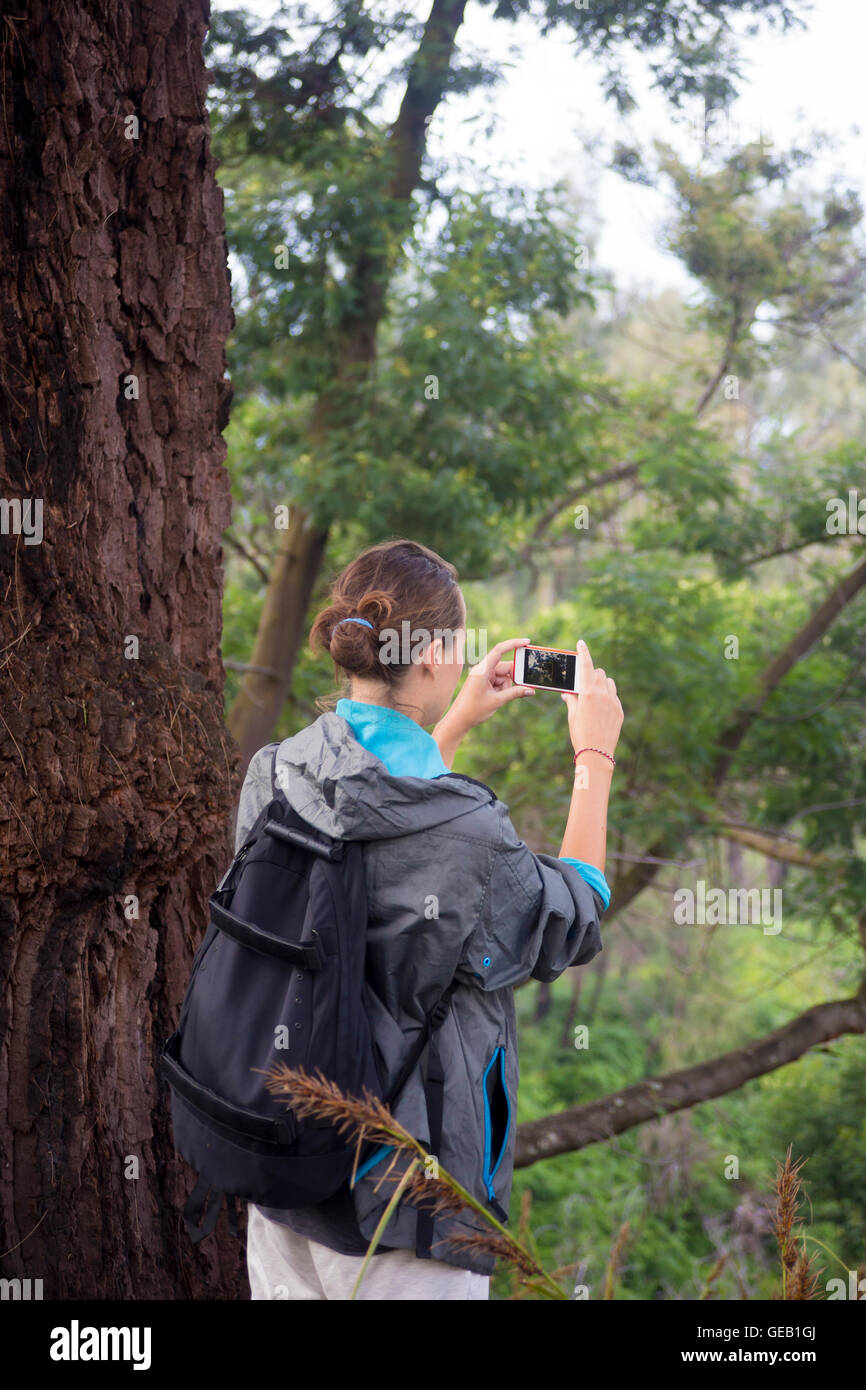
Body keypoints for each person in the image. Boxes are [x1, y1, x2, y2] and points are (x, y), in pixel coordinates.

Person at [237, 538, 623, 1300]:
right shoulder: (468, 831)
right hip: (402, 1207)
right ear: (438, 655)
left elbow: (367, 834)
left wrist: (449, 728)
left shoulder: (274, 773)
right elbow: (574, 915)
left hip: (282, 1176)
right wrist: (595, 756)